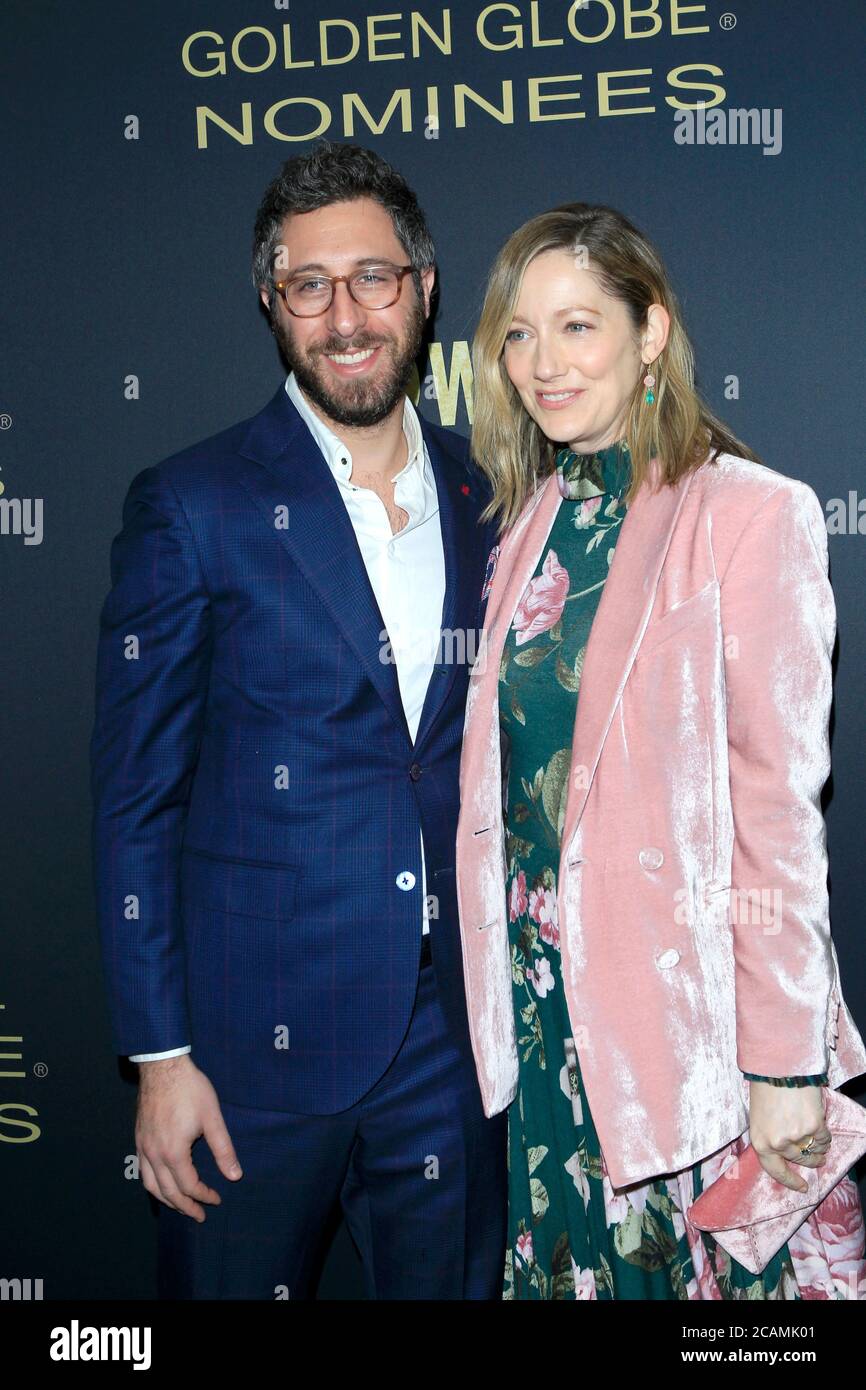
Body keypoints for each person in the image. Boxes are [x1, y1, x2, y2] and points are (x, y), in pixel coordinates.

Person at [89, 139, 507, 1300]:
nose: (344, 316)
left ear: (422, 292)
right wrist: (160, 1058)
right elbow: (134, 800)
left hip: (451, 1043)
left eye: (371, 278)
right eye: (307, 285)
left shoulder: (491, 495)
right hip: (247, 1056)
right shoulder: (193, 503)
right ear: (272, 306)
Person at [454, 201, 866, 1299]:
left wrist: (783, 1063)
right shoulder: (531, 521)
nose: (541, 362)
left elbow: (777, 811)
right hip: (554, 1028)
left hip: (694, 1047)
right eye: (518, 332)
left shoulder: (746, 514)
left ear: (649, 334)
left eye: (576, 326)